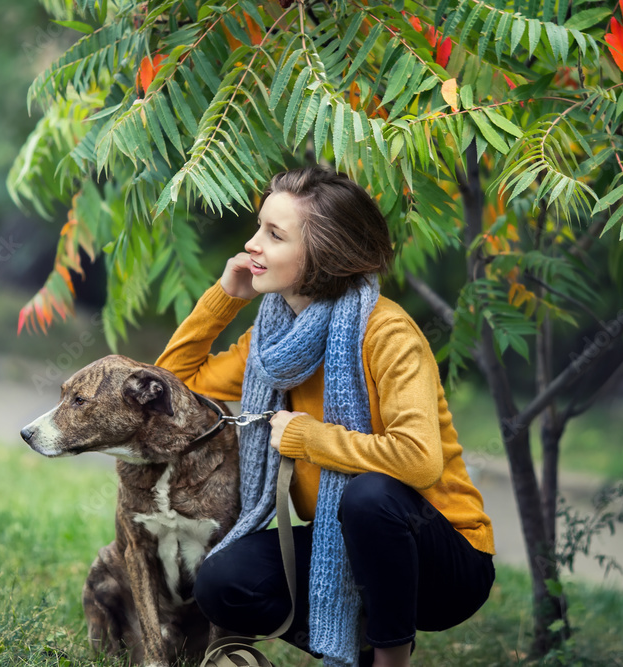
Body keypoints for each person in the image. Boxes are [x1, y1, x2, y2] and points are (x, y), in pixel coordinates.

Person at [155, 166, 495, 667]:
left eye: (274, 235)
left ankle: (391, 662)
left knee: (369, 495)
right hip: (349, 544)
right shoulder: (273, 342)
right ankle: (360, 651)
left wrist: (309, 438)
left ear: (325, 253)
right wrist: (224, 298)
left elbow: (419, 460)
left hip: (445, 559)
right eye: (258, 227)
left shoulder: (387, 333)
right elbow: (169, 387)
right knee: (223, 581)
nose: (251, 244)